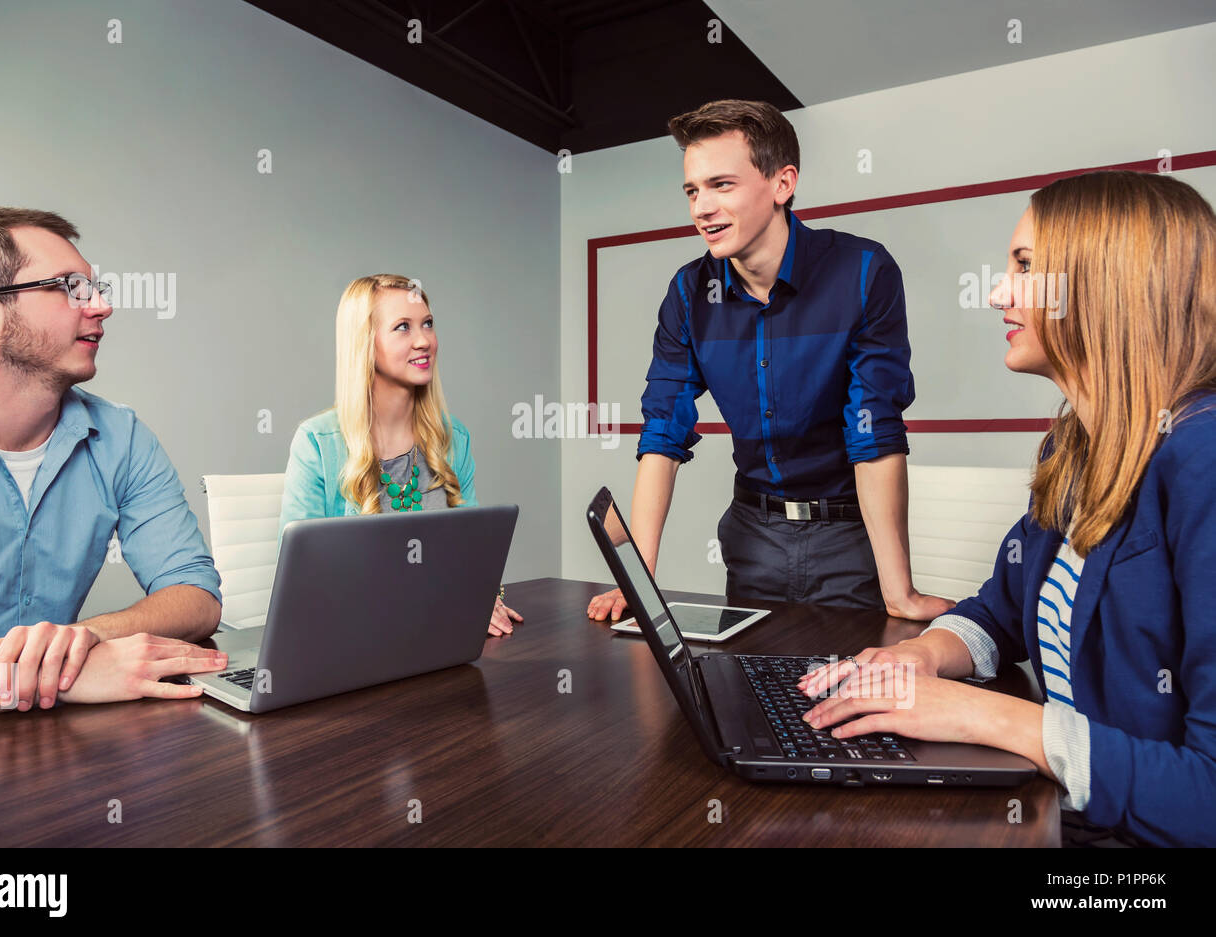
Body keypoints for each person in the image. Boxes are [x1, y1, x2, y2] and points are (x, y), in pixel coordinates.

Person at [798, 170, 1216, 847]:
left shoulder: (1202, 457)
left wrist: (981, 716)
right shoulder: (1071, 446)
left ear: (1103, 283)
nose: (997, 293)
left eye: (1024, 266)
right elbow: (1000, 609)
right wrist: (925, 659)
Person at [587, 100, 951, 624]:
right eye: (692, 190)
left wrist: (901, 593)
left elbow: (873, 431)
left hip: (848, 539)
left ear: (782, 184)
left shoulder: (864, 271)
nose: (701, 208)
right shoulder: (689, 294)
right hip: (751, 537)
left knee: (846, 697)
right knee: (750, 692)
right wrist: (638, 581)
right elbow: (663, 429)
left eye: (722, 185)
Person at [0, 208, 228, 723]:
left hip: (54, 753)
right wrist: (48, 678)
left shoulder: (122, 436)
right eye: (70, 288)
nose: (102, 306)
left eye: (95, 287)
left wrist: (86, 639)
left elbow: (195, 594)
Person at [279, 274, 522, 636]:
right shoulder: (316, 443)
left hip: (437, 640)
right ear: (365, 343)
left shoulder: (453, 438)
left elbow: (473, 558)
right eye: (403, 328)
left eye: (427, 323)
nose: (424, 340)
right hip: (351, 644)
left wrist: (484, 594)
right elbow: (303, 586)